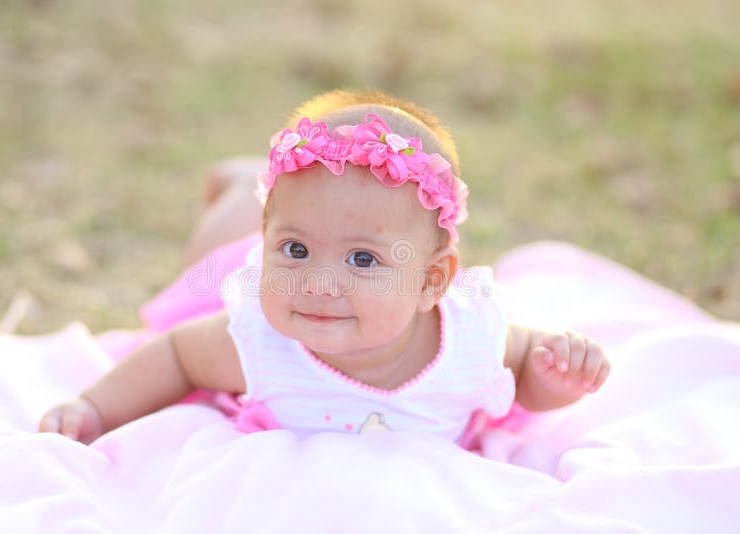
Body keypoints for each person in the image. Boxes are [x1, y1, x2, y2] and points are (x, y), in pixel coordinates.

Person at [38, 90, 611, 446]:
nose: (317, 282)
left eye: (363, 259)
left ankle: (264, 207)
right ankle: (242, 194)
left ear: (431, 281)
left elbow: (526, 379)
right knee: (207, 265)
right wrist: (94, 408)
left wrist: (556, 380)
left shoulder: (470, 337)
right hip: (231, 274)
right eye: (294, 250)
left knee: (307, 228)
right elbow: (176, 356)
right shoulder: (256, 338)